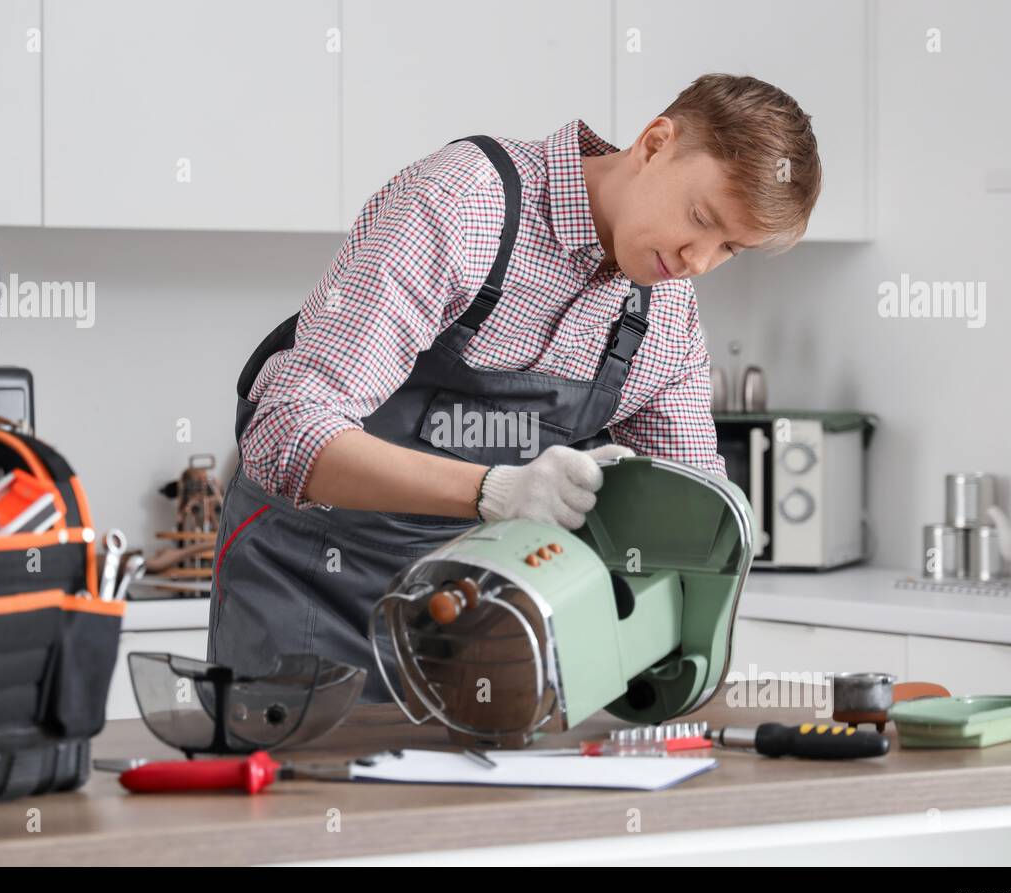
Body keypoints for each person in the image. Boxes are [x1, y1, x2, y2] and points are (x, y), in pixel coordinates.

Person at [208, 74, 822, 700]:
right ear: (655, 143)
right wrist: (496, 490)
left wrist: (669, 660)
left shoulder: (666, 316)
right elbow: (285, 429)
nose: (697, 260)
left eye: (729, 249)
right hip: (307, 594)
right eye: (700, 218)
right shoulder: (465, 201)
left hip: (477, 627)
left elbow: (702, 524)